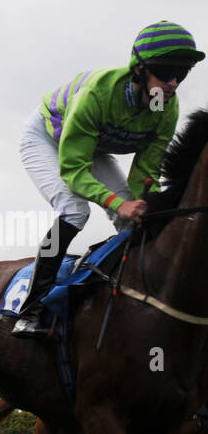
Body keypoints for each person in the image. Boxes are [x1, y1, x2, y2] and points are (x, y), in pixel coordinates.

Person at [13, 21, 203, 337]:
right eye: (166, 71)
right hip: (45, 139)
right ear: (139, 70)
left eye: (180, 74)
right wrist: (117, 202)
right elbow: (74, 169)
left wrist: (154, 203)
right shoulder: (98, 95)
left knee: (133, 215)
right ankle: (31, 309)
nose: (172, 83)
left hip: (93, 145)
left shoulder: (165, 109)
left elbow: (145, 174)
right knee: (76, 211)